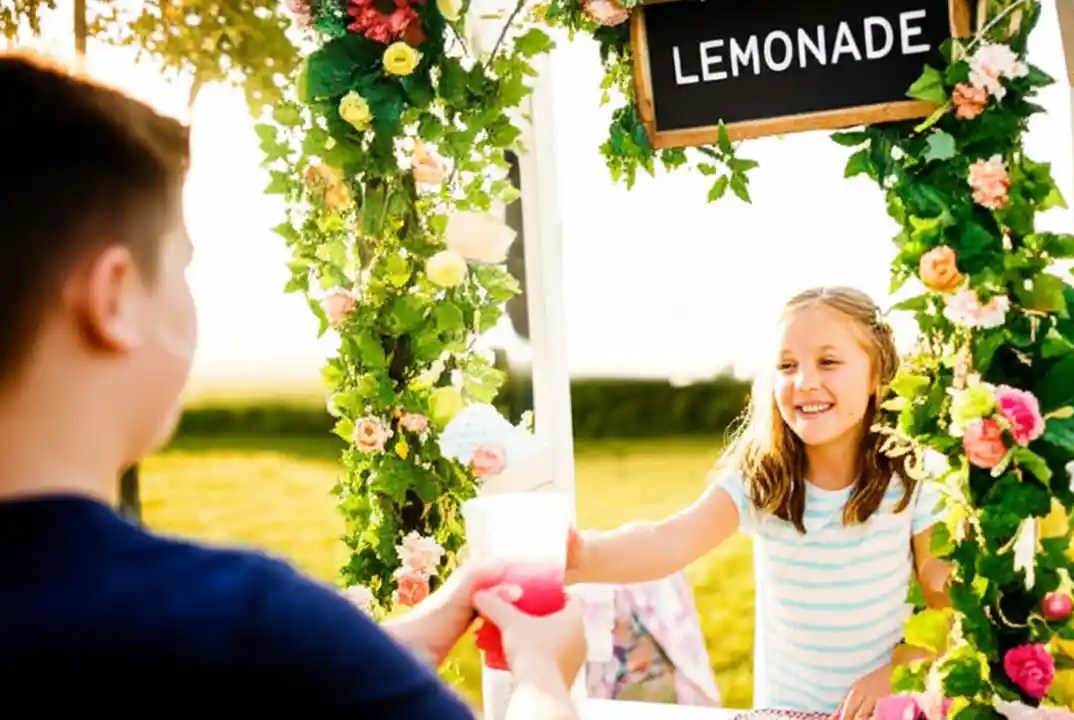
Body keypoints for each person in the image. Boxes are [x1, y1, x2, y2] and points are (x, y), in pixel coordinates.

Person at [0, 51, 585, 718]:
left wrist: (374, 656)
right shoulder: (246, 625)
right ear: (114, 297)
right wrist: (542, 673)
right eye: (181, 264)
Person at [566, 286, 954, 720]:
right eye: (787, 366)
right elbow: (669, 541)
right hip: (782, 714)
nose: (804, 381)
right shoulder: (763, 478)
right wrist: (579, 554)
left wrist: (898, 672)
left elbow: (946, 606)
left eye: (828, 361)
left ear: (876, 375)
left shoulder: (915, 477)